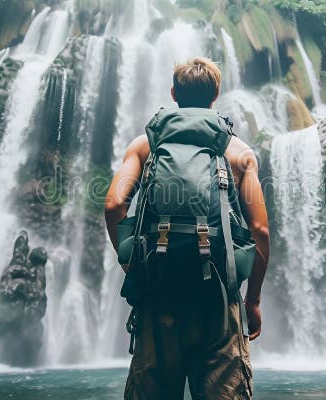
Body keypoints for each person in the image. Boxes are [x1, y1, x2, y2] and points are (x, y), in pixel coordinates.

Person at [104, 57, 270, 399]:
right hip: (219, 305)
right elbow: (260, 232)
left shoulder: (144, 145)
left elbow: (113, 206)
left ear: (174, 93)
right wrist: (252, 301)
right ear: (216, 96)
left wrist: (132, 265)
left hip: (158, 296)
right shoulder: (239, 153)